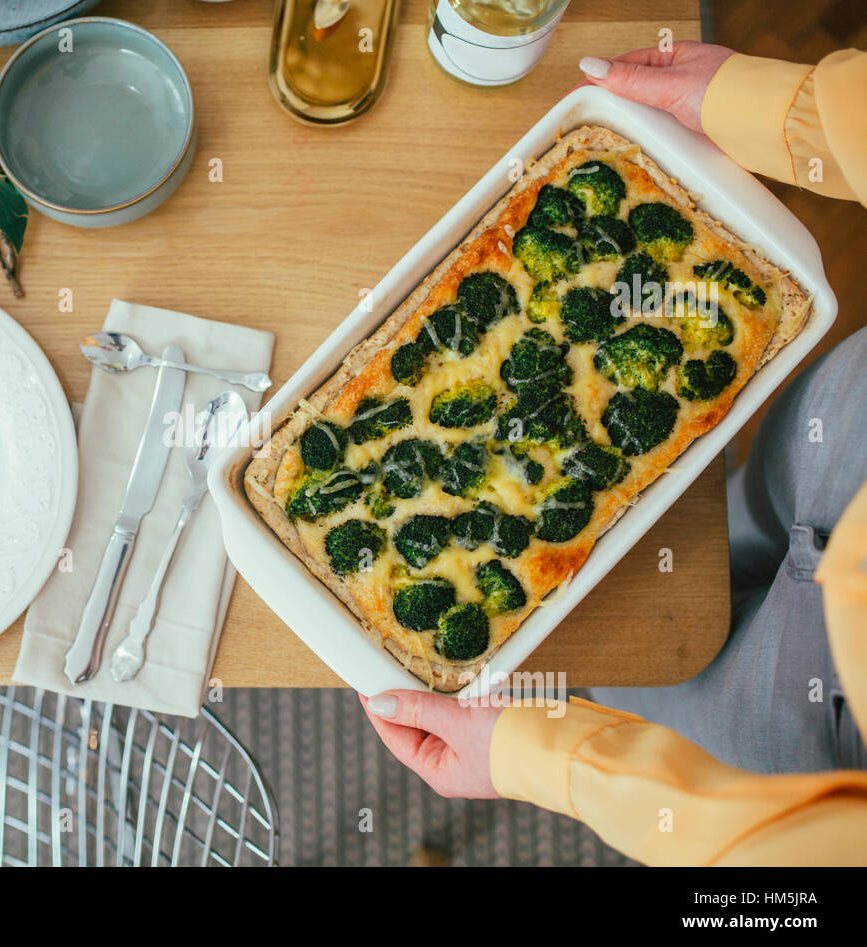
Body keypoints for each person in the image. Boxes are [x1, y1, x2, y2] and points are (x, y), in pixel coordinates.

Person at [362, 41, 867, 865]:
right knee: (738, 512)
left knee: (657, 672)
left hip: (831, 747)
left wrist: (550, 759)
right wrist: (784, 109)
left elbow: (787, 882)